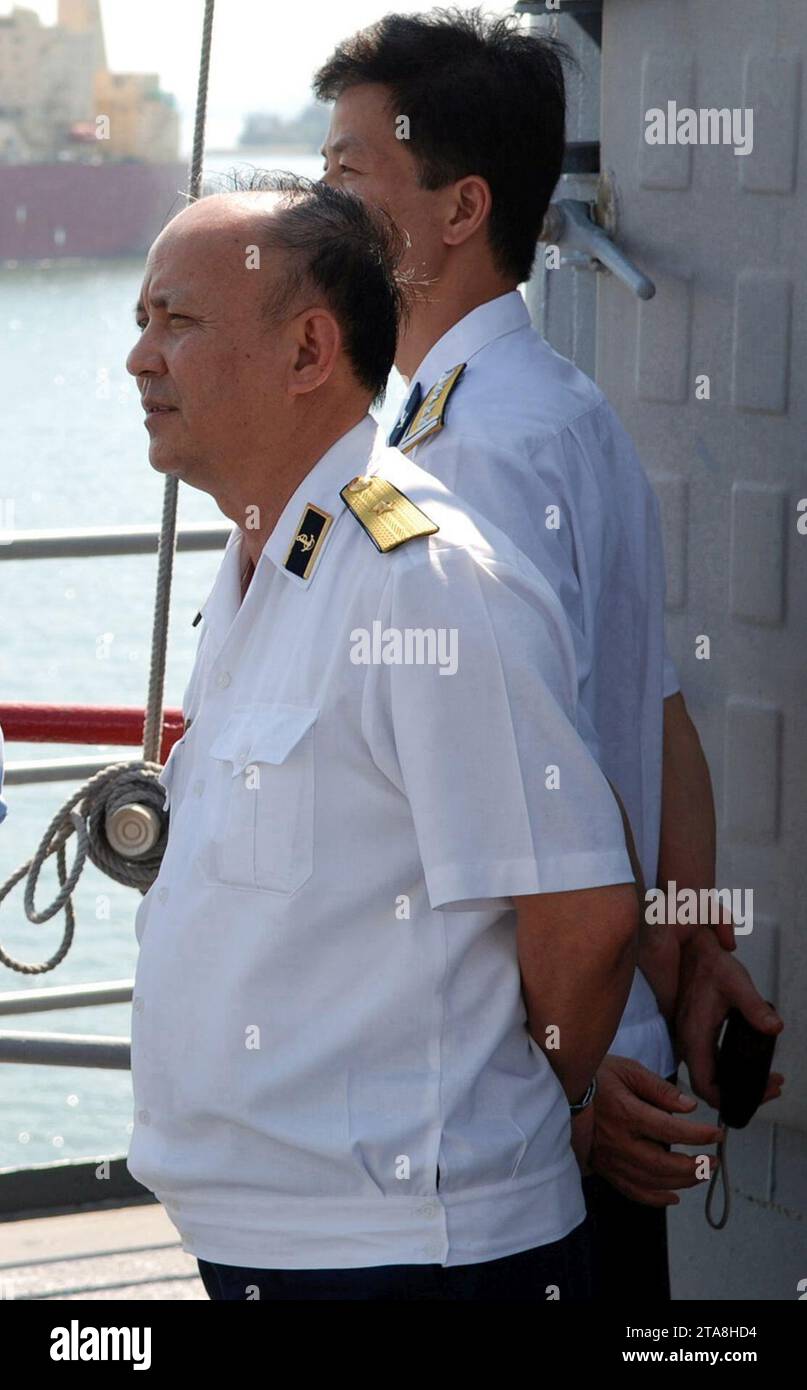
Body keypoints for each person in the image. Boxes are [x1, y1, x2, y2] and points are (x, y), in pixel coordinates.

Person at [315, 6, 783, 1298]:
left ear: (458, 208)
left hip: (522, 1096)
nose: (317, 209)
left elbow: (543, 785)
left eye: (347, 176)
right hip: (592, 1045)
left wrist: (566, 1092)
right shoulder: (564, 405)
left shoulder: (460, 454)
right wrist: (689, 956)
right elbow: (659, 716)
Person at [124, 173, 640, 1301]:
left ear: (311, 349)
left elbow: (584, 917)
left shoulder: (422, 580)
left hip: (411, 1256)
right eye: (141, 322)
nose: (141, 359)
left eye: (179, 321)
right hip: (278, 1243)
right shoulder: (271, 563)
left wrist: (506, 1123)